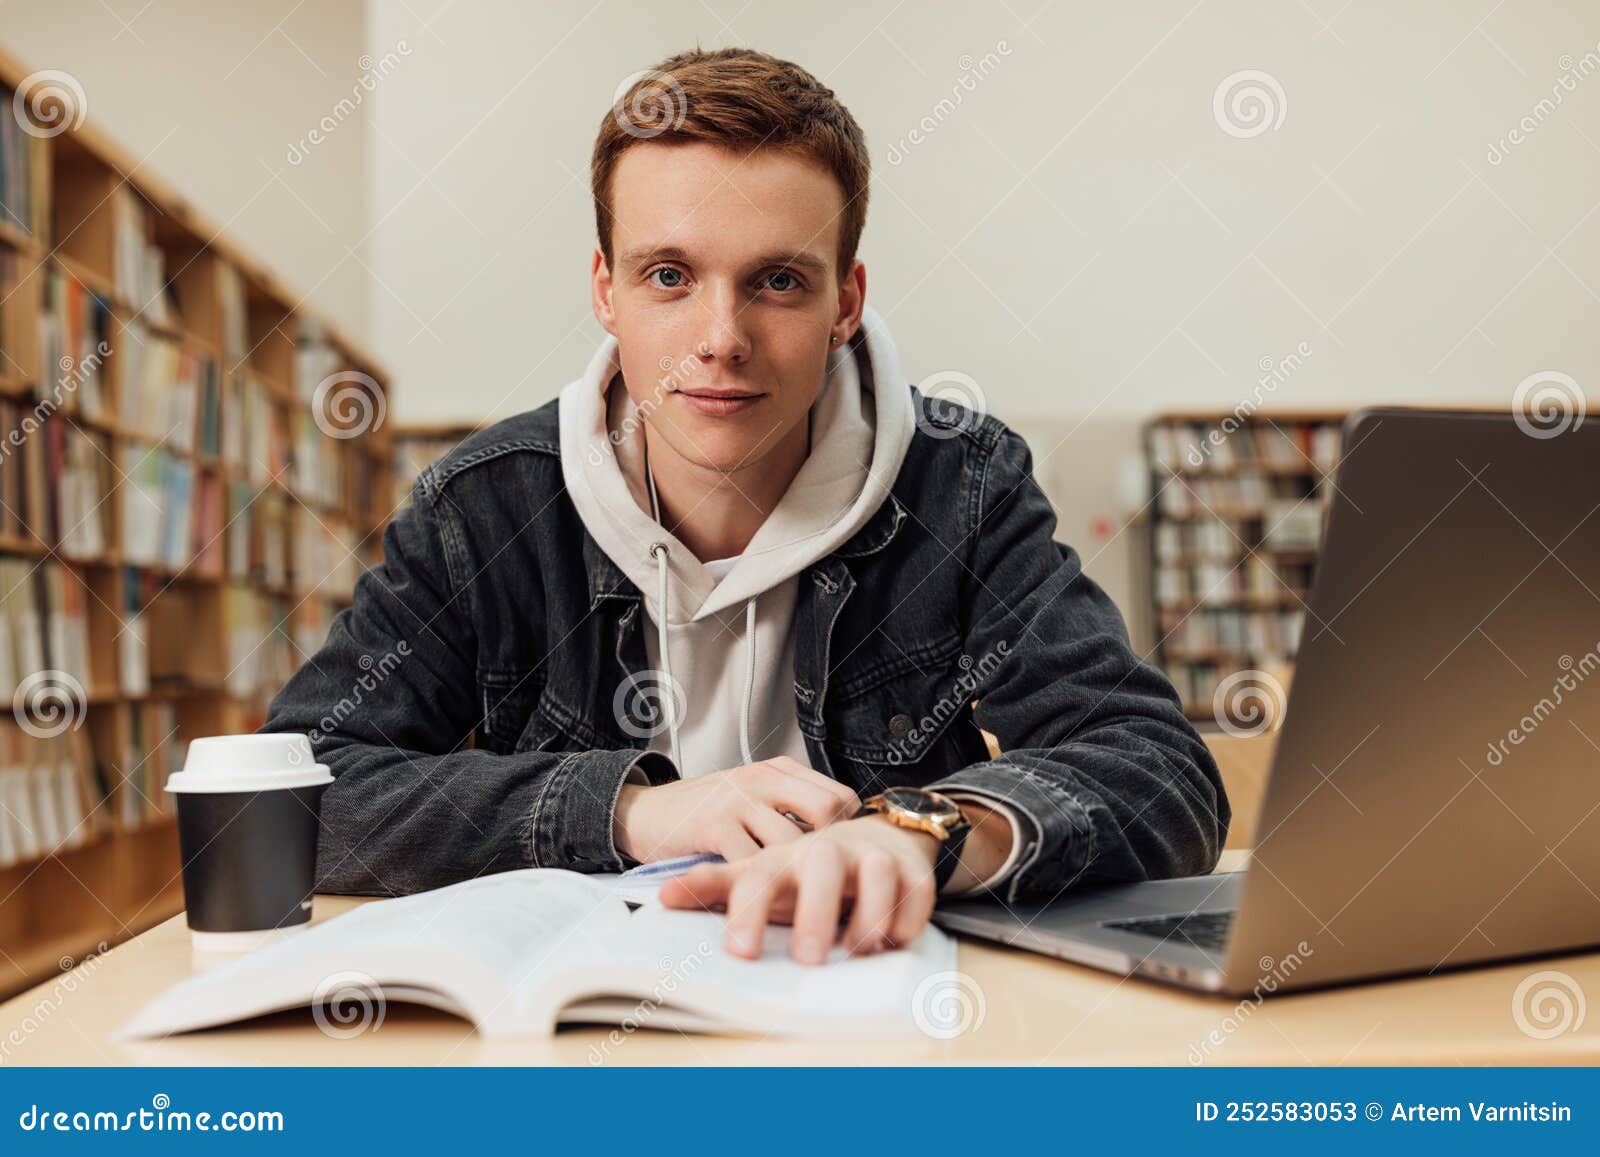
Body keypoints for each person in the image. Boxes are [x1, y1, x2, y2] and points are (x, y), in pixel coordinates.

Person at [262, 46, 1228, 966]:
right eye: (670, 276)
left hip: (879, 1003)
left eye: (777, 281)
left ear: (846, 302)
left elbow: (1161, 771)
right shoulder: (484, 506)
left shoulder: (962, 485)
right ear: (607, 290)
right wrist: (630, 812)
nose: (721, 339)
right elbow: (283, 794)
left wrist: (918, 834)